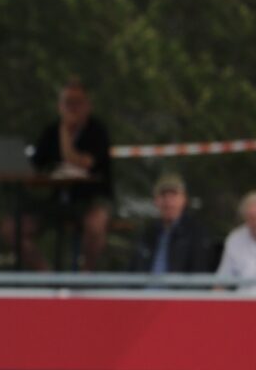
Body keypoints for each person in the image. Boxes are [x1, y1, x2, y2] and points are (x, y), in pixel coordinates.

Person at [16, 78, 113, 270]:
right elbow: (33, 168)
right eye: (67, 103)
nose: (72, 108)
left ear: (88, 105)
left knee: (95, 224)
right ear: (59, 106)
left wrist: (65, 132)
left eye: (77, 103)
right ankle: (49, 278)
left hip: (91, 199)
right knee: (12, 228)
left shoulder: (97, 131)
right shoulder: (50, 132)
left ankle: (86, 279)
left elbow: (78, 162)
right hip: (57, 200)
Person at [130, 174, 215, 275]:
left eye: (174, 195)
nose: (168, 201)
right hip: (143, 290)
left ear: (184, 199)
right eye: (163, 195)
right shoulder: (146, 234)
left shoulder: (197, 233)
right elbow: (132, 272)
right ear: (156, 200)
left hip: (178, 291)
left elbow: (199, 276)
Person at [216, 191, 256, 284]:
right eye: (251, 217)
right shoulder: (235, 239)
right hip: (242, 297)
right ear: (245, 218)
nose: (255, 222)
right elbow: (222, 280)